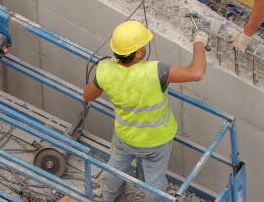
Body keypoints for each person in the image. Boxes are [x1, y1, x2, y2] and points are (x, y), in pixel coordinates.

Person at [83, 20, 208, 201]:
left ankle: (108, 196)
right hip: (157, 140)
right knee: (154, 180)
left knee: (115, 168)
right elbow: (196, 73)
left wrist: (106, 76)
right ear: (139, 53)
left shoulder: (105, 70)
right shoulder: (155, 71)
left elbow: (87, 96)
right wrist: (199, 42)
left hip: (126, 137)